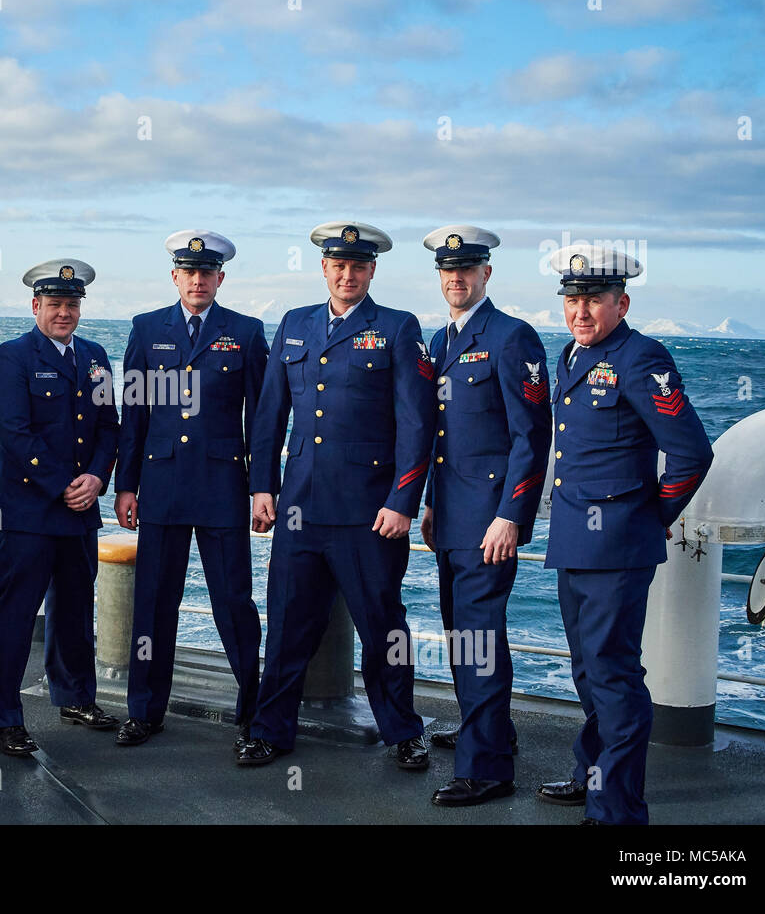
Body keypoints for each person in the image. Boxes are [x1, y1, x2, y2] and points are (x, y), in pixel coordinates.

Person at [238, 221, 435, 768]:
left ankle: (403, 732)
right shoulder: (295, 323)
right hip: (299, 508)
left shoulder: (396, 327)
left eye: (358, 266)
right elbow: (270, 413)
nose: (348, 275)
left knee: (383, 626)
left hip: (369, 512)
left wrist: (402, 501)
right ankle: (270, 730)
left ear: (372, 271)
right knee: (287, 625)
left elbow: (417, 423)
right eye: (339, 265)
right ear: (324, 268)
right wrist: (262, 487)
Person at [538, 243, 712, 825]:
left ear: (622, 303)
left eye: (593, 300)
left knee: (613, 674)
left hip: (616, 546)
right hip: (573, 540)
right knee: (588, 672)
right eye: (572, 300)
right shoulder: (570, 356)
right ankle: (592, 775)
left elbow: (690, 453)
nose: (580, 311)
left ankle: (616, 808)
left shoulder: (642, 358)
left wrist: (649, 517)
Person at [113, 230, 268, 749]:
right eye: (189, 272)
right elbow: (133, 414)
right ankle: (144, 711)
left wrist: (262, 488)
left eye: (207, 273)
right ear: (175, 276)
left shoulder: (245, 332)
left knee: (234, 603)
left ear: (220, 278)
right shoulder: (146, 328)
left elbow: (261, 419)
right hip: (162, 485)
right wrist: (126, 485)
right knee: (154, 604)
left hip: (223, 487)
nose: (198, 280)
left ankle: (253, 712)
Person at [416, 226, 552, 806]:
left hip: (490, 522)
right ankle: (489, 730)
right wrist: (429, 500)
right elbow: (441, 436)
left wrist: (512, 515)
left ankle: (488, 769)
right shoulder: (441, 339)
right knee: (461, 634)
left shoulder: (512, 337)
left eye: (467, 269)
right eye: (448, 270)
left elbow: (532, 436)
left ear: (486, 274)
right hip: (450, 515)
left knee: (478, 638)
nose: (457, 278)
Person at [0, 259, 120, 756]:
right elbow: (12, 430)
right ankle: (5, 718)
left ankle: (76, 696)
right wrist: (63, 484)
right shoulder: (13, 356)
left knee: (75, 610)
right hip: (30, 509)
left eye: (72, 304)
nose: (64, 312)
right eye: (55, 304)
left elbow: (108, 426)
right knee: (17, 614)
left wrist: (97, 477)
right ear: (35, 306)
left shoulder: (95, 356)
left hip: (81, 507)